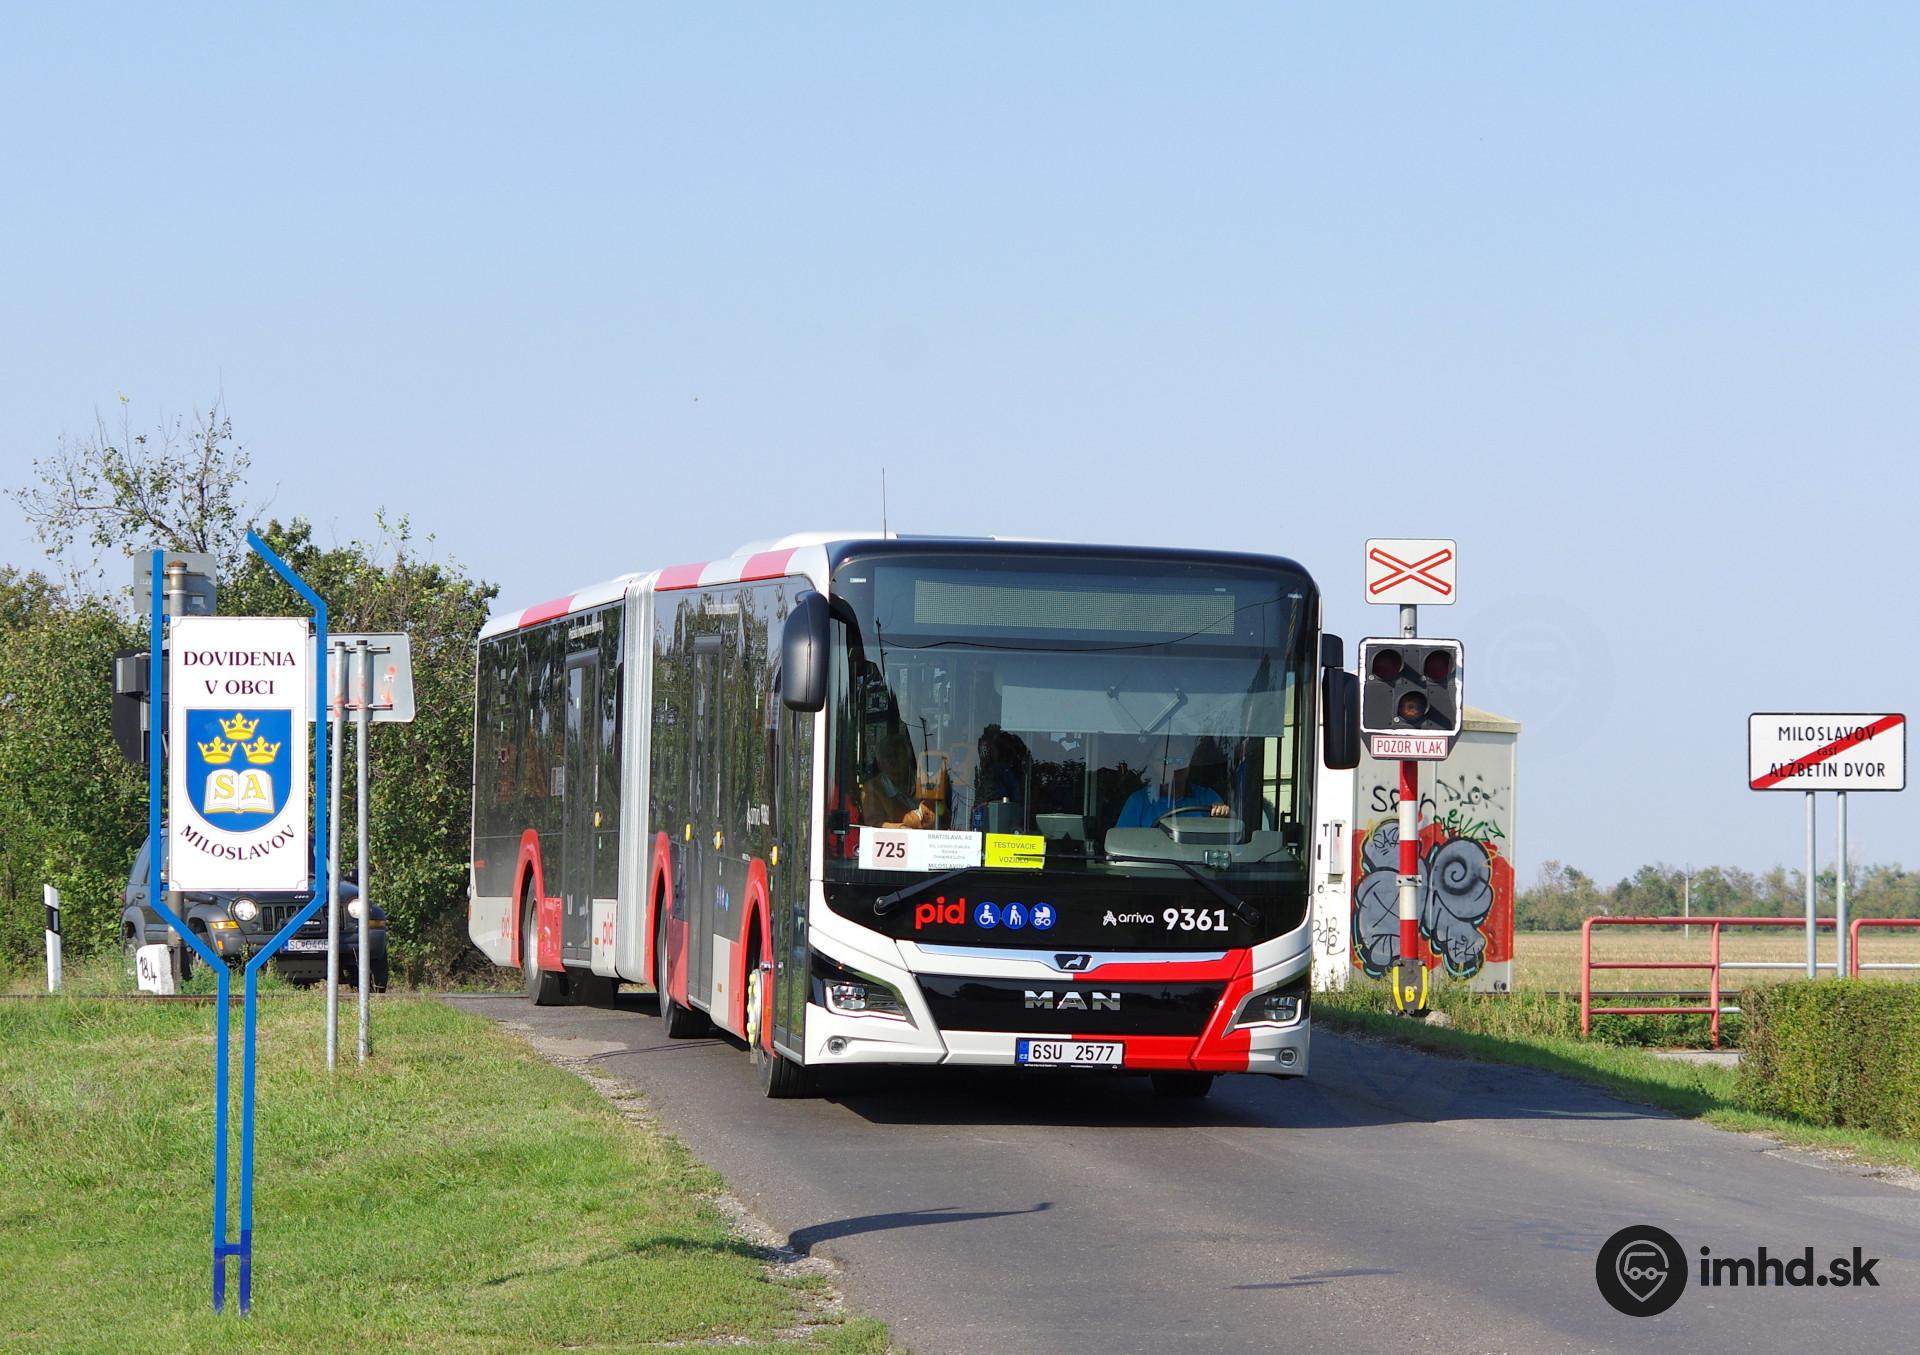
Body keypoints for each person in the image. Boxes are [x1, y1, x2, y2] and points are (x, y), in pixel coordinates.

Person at [1115, 740, 1231, 828]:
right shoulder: (1138, 802)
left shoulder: (1208, 798)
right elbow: (1121, 844)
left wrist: (1221, 813)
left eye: (1180, 760)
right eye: (1167, 761)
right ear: (1154, 764)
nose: (1175, 767)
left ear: (1189, 765)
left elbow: (1226, 839)